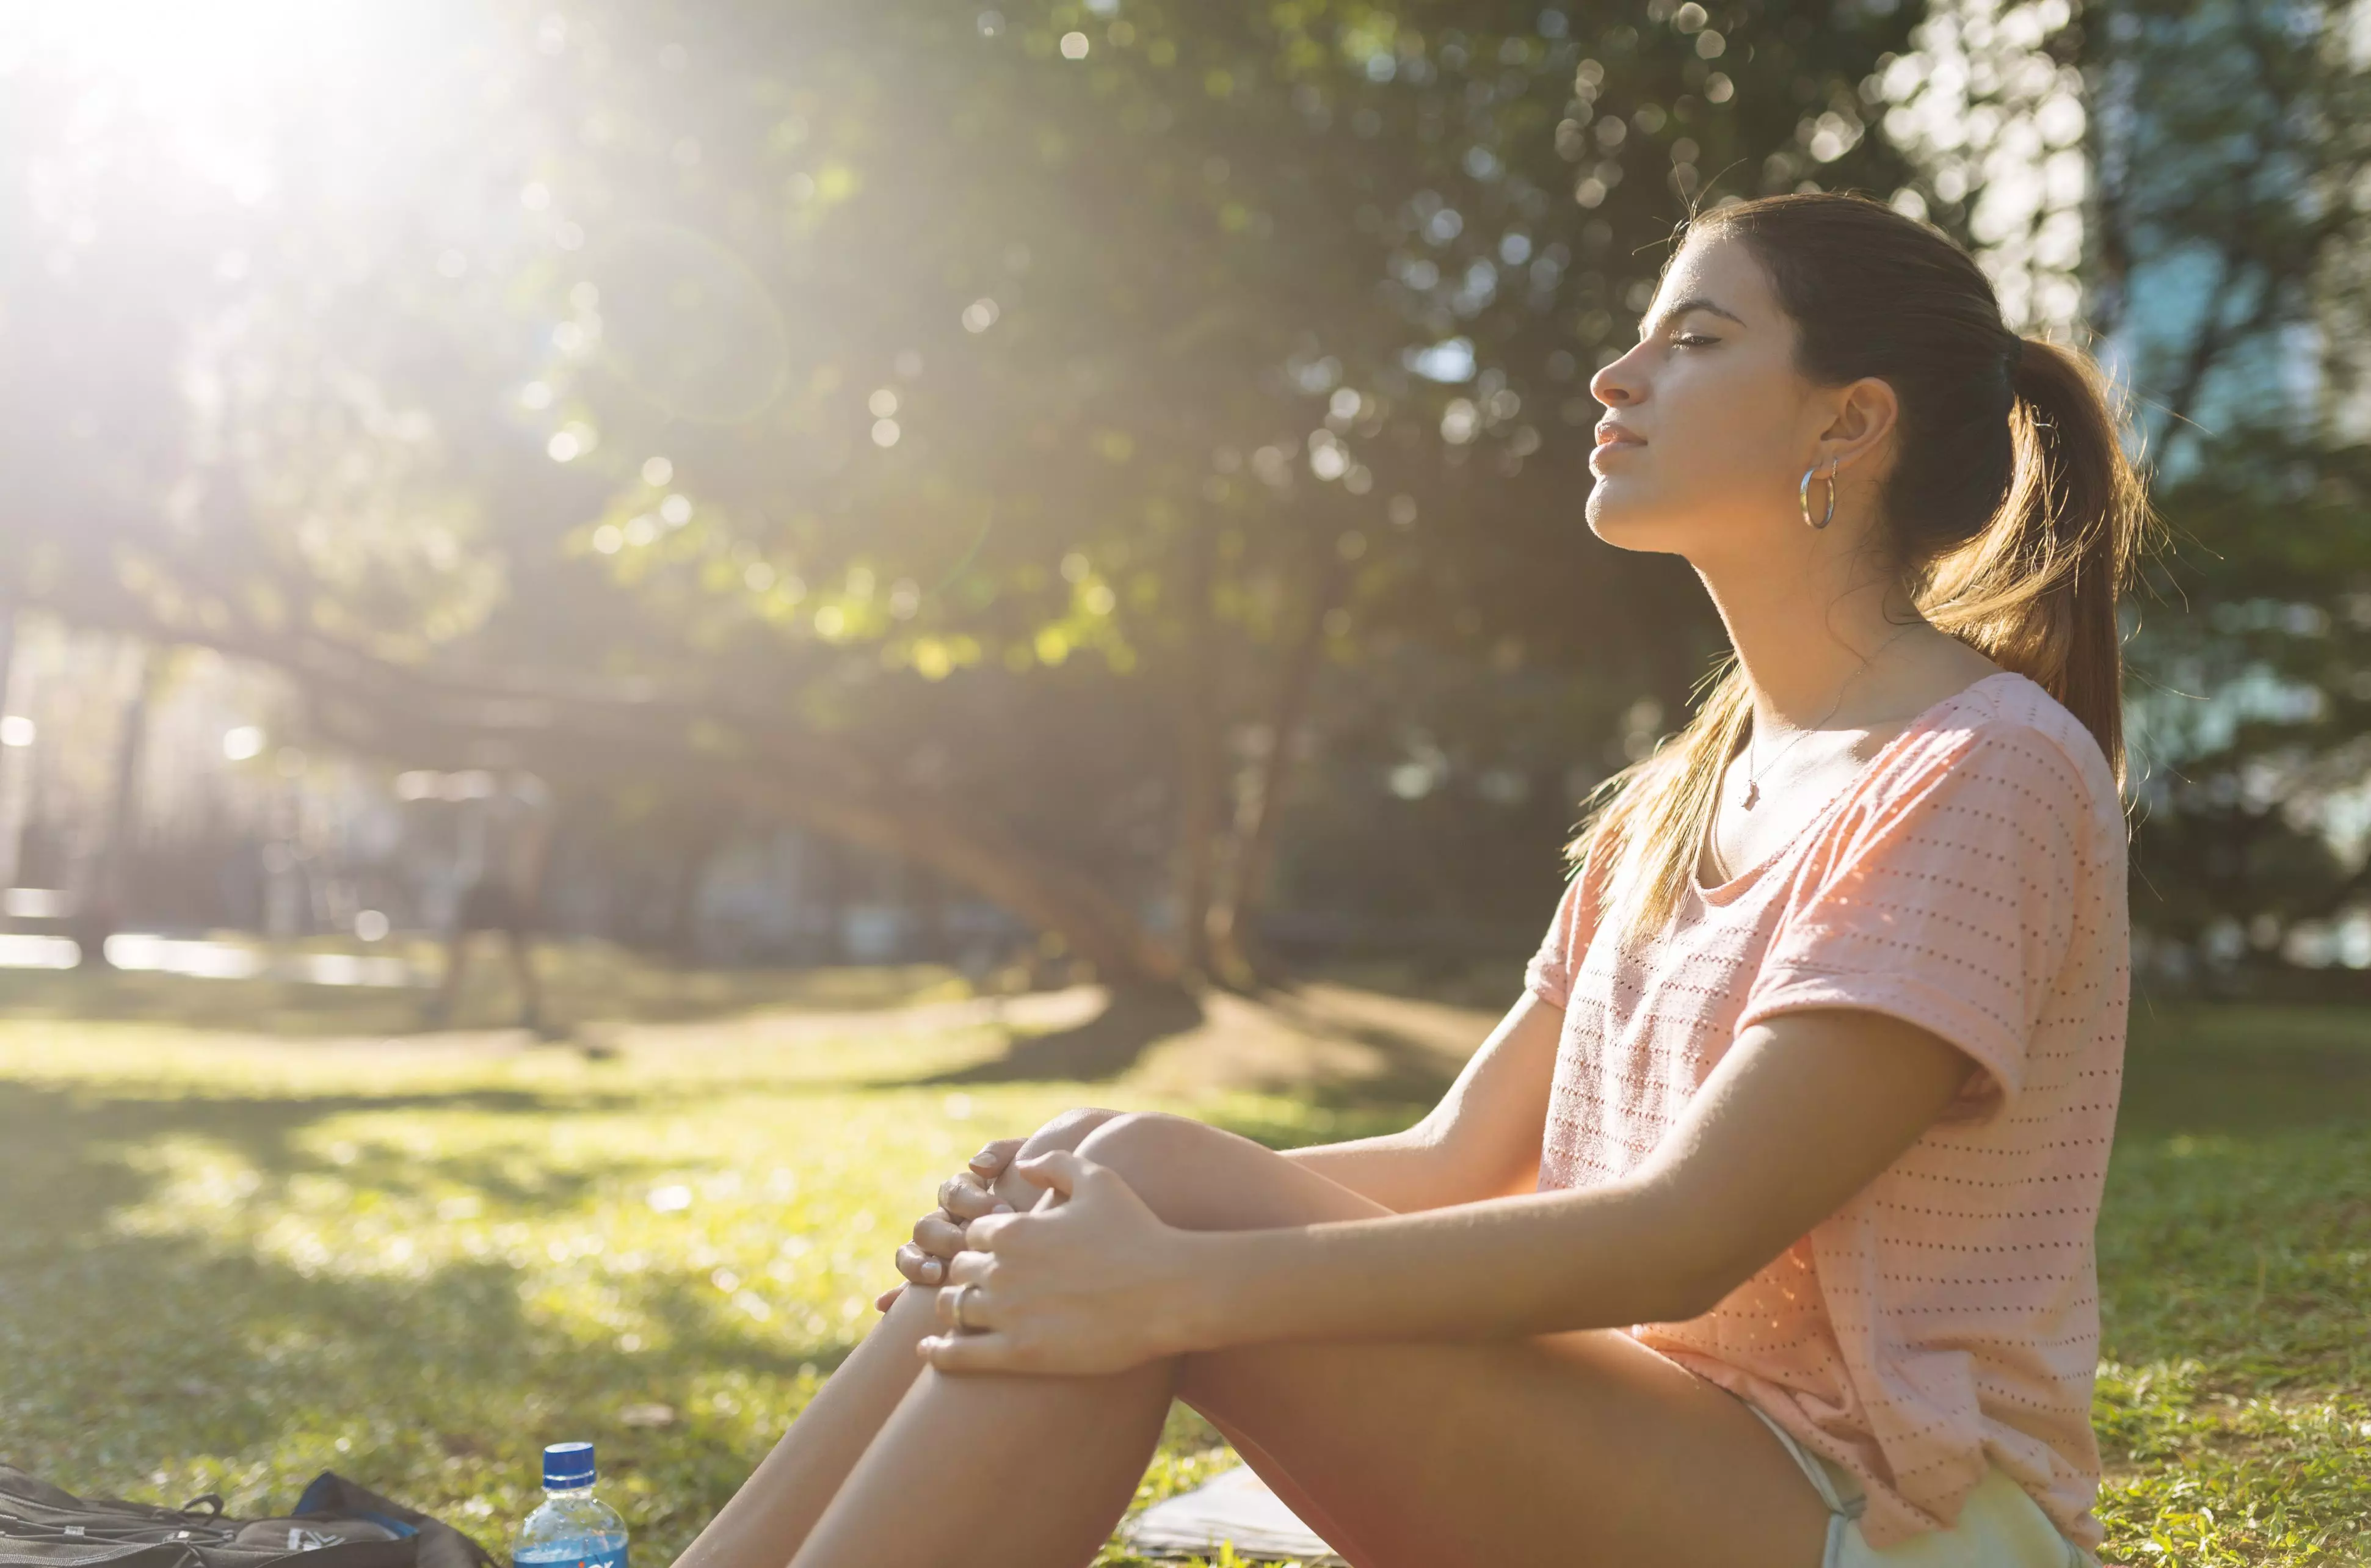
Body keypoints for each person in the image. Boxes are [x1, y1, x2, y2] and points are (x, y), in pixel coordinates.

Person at [669, 192, 2147, 1568]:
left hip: (1888, 1517)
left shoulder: (1980, 767)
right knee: (1102, 1161)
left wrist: (1162, 1280)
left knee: (1147, 1205)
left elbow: (1681, 1232)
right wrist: (1062, 1229)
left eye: (1692, 340)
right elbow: (1454, 1156)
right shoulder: (1680, 791)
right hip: (1662, 1444)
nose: (1613, 376)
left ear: (1851, 420)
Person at [424, 771, 555, 1034]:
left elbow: (532, 843)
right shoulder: (479, 790)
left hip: (504, 884)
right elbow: (447, 789)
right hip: (479, 882)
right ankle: (442, 1003)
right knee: (460, 944)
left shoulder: (525, 799)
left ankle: (532, 1007)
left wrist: (526, 882)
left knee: (517, 949)